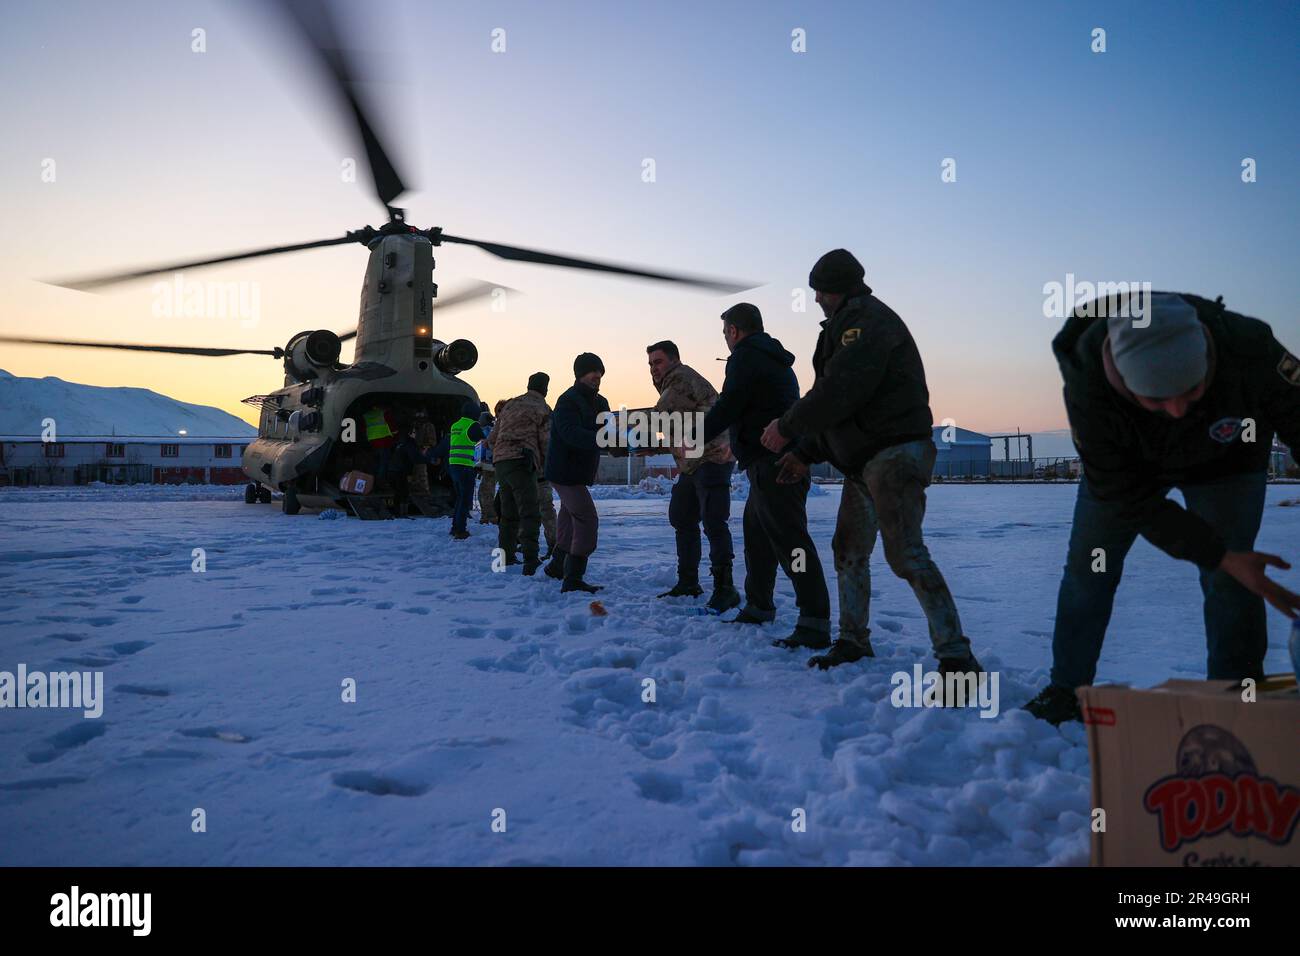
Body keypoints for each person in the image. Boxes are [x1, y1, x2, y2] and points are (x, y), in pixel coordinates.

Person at [1024, 291, 1300, 725]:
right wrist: (1216, 553)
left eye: (1191, 392)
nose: (1175, 411)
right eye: (1156, 401)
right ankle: (1067, 690)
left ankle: (1235, 699)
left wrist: (1227, 559)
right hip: (1130, 472)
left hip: (1226, 460)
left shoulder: (1249, 346)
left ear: (1209, 350)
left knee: (1233, 577)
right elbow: (1125, 495)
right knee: (1089, 570)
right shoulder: (1088, 383)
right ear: (1120, 377)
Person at [761, 249, 981, 676]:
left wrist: (787, 427)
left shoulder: (867, 324)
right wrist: (805, 453)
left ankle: (956, 657)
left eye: (820, 291)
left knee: (906, 554)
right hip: (866, 461)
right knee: (848, 549)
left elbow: (840, 391)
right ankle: (853, 641)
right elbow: (842, 410)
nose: (817, 300)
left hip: (894, 455)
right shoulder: (846, 326)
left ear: (834, 289)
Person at [701, 303, 833, 646]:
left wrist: (694, 434)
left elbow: (729, 405)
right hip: (767, 463)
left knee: (792, 543)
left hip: (775, 465)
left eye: (725, 333)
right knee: (757, 538)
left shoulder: (745, 357)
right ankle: (759, 605)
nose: (726, 340)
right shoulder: (770, 357)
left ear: (733, 331)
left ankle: (814, 621)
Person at [647, 340, 739, 612]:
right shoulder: (671, 383)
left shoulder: (680, 380)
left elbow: (658, 418)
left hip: (712, 458)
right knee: (682, 515)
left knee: (713, 520)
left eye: (658, 361)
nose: (653, 368)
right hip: (693, 463)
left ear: (674, 360)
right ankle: (688, 582)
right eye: (651, 364)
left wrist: (623, 442)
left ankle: (726, 588)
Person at [544, 353, 612, 592]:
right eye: (592, 371)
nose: (597, 376)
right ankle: (573, 578)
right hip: (564, 471)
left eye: (600, 372)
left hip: (579, 470)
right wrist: (604, 440)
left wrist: (620, 441)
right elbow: (569, 432)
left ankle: (557, 566)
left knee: (569, 515)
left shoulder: (601, 402)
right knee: (586, 518)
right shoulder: (567, 400)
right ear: (580, 374)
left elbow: (609, 431)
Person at [491, 373, 552, 575]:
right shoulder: (541, 407)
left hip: (501, 462)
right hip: (522, 462)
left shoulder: (509, 404)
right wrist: (545, 467)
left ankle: (503, 559)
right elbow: (546, 441)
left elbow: (492, 437)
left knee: (508, 515)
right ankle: (531, 560)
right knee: (530, 512)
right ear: (545, 388)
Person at [435, 399, 485, 539]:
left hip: (453, 465)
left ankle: (455, 527)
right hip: (465, 466)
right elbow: (484, 441)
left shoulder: (455, 425)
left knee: (459, 498)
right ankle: (460, 530)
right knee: (465, 500)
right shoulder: (473, 425)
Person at [476, 404, 499, 525]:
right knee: (485, 492)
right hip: (489, 466)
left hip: (490, 466)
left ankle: (490, 516)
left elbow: (486, 449)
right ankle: (487, 515)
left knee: (486, 492)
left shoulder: (488, 432)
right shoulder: (490, 431)